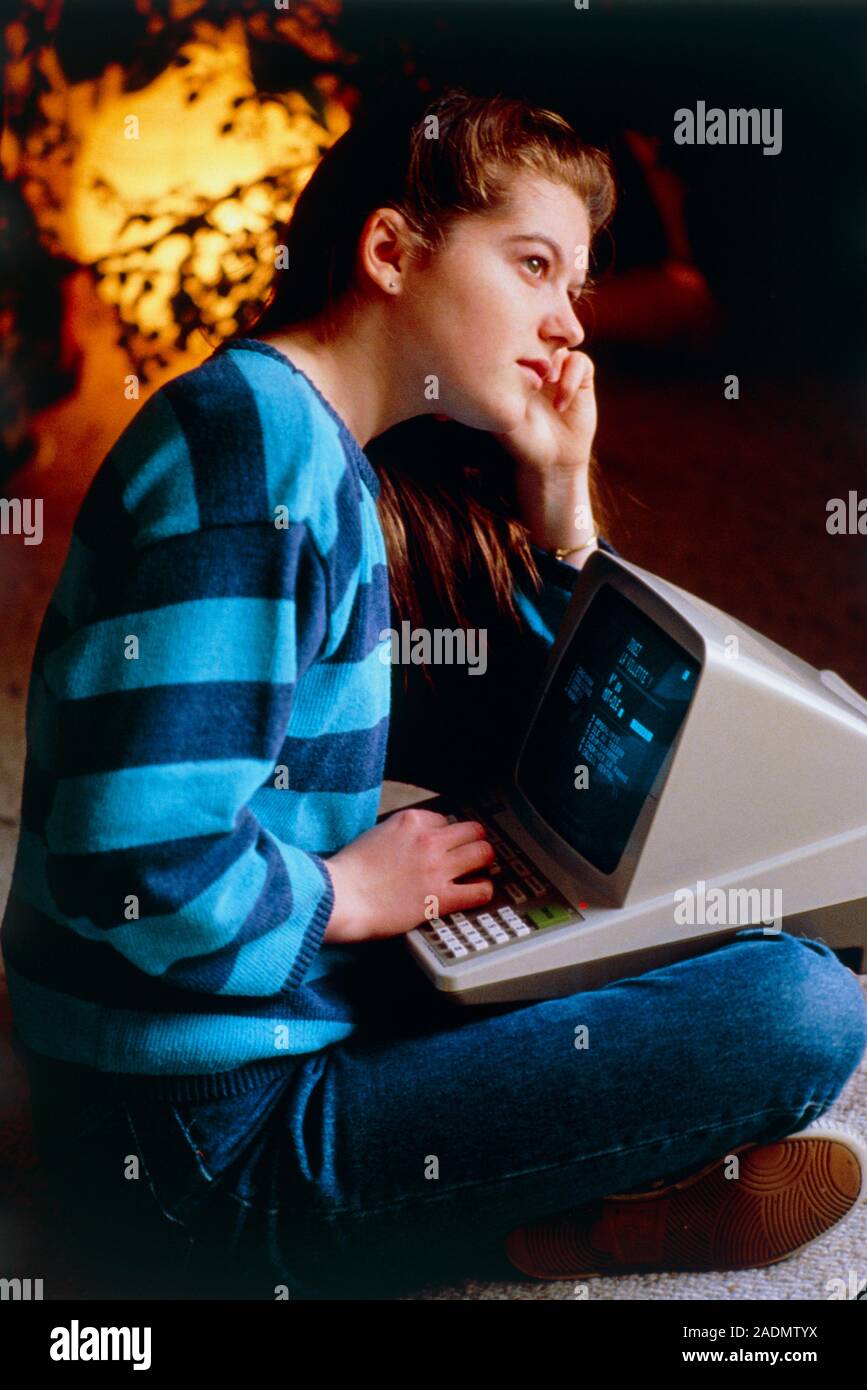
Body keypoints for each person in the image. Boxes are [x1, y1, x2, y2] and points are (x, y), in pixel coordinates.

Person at [2, 88, 865, 1301]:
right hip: (191, 1139)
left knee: (704, 931)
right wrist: (343, 896)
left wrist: (560, 495)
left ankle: (532, 1212)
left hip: (234, 1056)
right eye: (533, 266)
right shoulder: (257, 462)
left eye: (575, 285)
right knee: (798, 1006)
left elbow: (535, 735)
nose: (570, 323)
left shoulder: (316, 450)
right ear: (391, 253)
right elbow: (128, 855)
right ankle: (488, 1219)